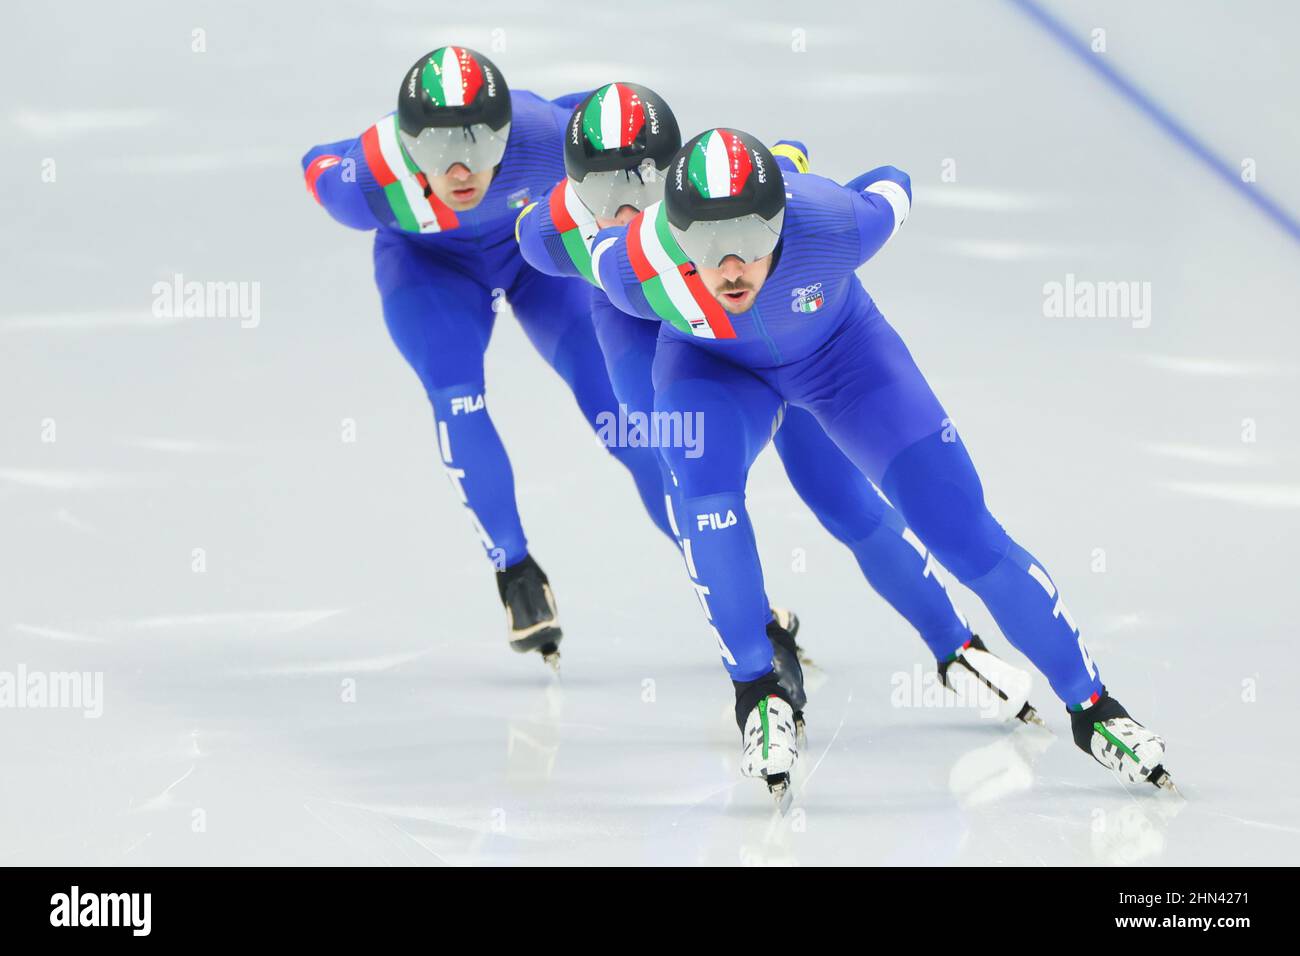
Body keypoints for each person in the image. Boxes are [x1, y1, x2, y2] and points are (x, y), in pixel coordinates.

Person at [567, 124, 1176, 799]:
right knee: (701, 493)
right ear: (676, 236)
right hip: (714, 368)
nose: (731, 265)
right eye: (709, 244)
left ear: (781, 221)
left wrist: (799, 169)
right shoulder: (632, 264)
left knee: (958, 528)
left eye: (749, 240)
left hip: (840, 361)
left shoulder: (833, 222)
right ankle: (758, 688)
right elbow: (557, 244)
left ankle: (1093, 708)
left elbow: (893, 182)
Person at [516, 85, 1045, 781]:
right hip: (650, 339)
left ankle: (953, 645)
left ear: (671, 172)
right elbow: (527, 237)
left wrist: (792, 169)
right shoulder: (565, 228)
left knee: (841, 499)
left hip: (773, 343)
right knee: (684, 478)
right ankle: (758, 649)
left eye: (639, 180)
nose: (619, 206)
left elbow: (790, 187)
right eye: (598, 189)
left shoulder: (713, 202)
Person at [301, 48, 670, 669]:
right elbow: (318, 163)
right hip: (429, 269)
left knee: (627, 424)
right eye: (439, 150)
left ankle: (735, 593)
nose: (462, 168)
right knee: (457, 396)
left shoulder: (543, 135)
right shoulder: (365, 182)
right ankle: (516, 571)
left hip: (532, 258)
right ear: (408, 147)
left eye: (479, 144)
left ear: (505, 132)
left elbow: (611, 124)